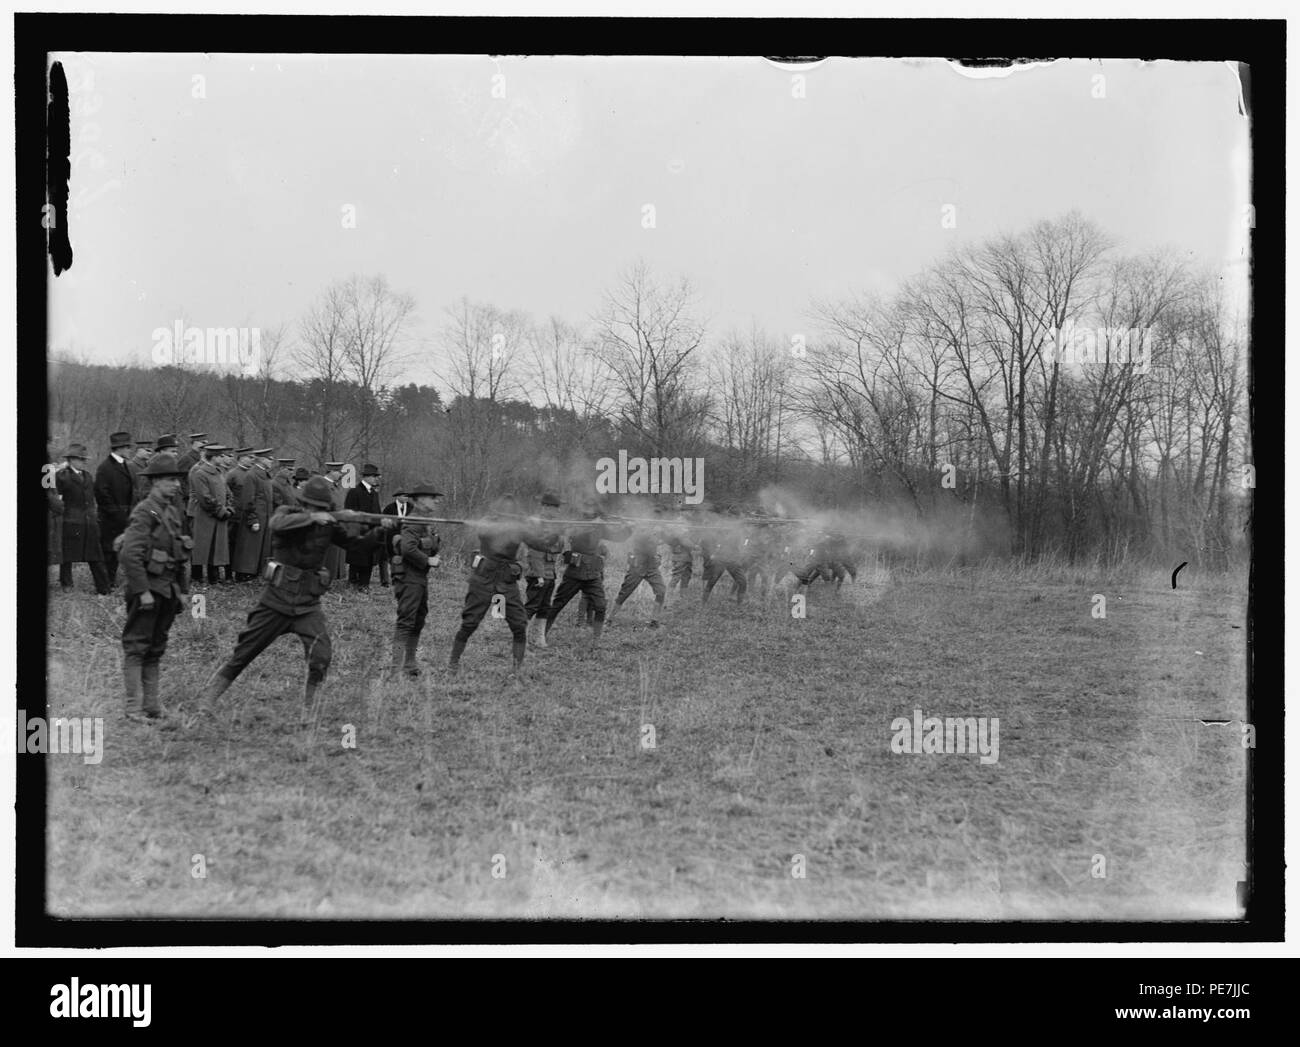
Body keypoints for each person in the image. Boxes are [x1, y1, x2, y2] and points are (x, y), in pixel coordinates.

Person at [194, 476, 393, 721]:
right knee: (244, 652)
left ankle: (309, 712)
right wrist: (312, 518)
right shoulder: (288, 514)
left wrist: (381, 529)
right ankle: (206, 701)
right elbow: (277, 524)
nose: (317, 511)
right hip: (275, 601)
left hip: (308, 605)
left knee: (321, 656)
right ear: (304, 504)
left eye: (320, 508)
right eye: (312, 507)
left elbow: (357, 544)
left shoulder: (328, 525)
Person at [118, 453, 191, 723]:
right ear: (156, 482)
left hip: (167, 590)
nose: (176, 485)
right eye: (171, 480)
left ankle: (152, 706)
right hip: (149, 591)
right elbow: (130, 555)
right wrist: (142, 591)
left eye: (177, 480)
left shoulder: (171, 512)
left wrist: (182, 591)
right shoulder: (144, 511)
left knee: (156, 648)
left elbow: (179, 555)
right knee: (137, 648)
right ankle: (133, 709)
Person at [447, 494, 548, 677]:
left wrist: (549, 530)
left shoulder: (520, 527)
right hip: (483, 580)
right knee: (469, 623)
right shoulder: (488, 522)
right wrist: (508, 526)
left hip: (506, 582)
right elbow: (483, 532)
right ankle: (453, 665)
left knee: (519, 624)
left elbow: (542, 545)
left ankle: (516, 671)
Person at [544, 503, 631, 648]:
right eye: (589, 513)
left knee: (601, 606)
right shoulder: (577, 524)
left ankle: (596, 641)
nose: (590, 515)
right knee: (558, 604)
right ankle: (541, 635)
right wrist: (594, 523)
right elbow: (575, 535)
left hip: (592, 574)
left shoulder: (599, 527)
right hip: (575, 572)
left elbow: (618, 537)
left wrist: (628, 527)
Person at [388, 483, 443, 678]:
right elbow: (408, 548)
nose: (436, 500)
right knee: (406, 621)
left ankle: (409, 664)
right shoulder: (413, 521)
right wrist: (428, 559)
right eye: (432, 497)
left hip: (419, 578)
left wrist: (434, 539)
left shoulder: (426, 522)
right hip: (409, 578)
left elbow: (432, 547)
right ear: (419, 500)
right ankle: (395, 669)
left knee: (418, 620)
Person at [55, 443, 110, 594]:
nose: (83, 461)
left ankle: (103, 588)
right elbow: (57, 500)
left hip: (89, 522)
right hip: (70, 522)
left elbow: (92, 499)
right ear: (71, 459)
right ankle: (66, 585)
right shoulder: (62, 476)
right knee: (67, 556)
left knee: (95, 555)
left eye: (84, 459)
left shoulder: (87, 476)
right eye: (80, 459)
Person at [608, 506, 667, 627]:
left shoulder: (657, 529)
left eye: (659, 517)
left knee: (661, 591)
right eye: (655, 517)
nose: (657, 519)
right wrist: (656, 532)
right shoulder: (642, 528)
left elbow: (666, 541)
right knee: (624, 593)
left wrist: (668, 532)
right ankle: (609, 619)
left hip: (651, 566)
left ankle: (654, 620)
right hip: (638, 565)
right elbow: (647, 544)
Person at [521, 492, 564, 647]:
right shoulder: (536, 523)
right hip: (538, 573)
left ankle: (538, 638)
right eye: (555, 508)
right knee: (532, 606)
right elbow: (534, 552)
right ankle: (521, 637)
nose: (557, 511)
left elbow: (558, 547)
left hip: (550, 572)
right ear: (545, 507)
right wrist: (539, 575)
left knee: (545, 607)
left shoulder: (553, 524)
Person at [94, 430, 137, 588]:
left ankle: (110, 582)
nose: (130, 450)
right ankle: (106, 584)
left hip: (123, 515)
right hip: (110, 519)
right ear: (119, 448)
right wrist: (117, 514)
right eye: (127, 447)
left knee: (117, 551)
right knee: (108, 552)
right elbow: (102, 494)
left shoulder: (124, 465)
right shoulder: (105, 467)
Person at [188, 443, 234, 585]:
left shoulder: (219, 472)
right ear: (213, 457)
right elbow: (204, 497)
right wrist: (221, 511)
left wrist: (230, 508)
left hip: (220, 515)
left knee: (217, 546)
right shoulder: (200, 473)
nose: (223, 458)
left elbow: (227, 492)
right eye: (221, 456)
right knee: (205, 546)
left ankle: (214, 577)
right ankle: (201, 578)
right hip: (207, 516)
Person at [231, 449, 274, 581]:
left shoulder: (265, 475)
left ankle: (255, 573)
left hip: (265, 517)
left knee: (260, 548)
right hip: (255, 517)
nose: (272, 461)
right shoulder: (252, 475)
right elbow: (248, 499)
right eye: (269, 459)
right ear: (261, 459)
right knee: (249, 548)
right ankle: (243, 574)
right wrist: (253, 519)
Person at [344, 463, 384, 589]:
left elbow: (377, 512)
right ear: (366, 477)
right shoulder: (354, 492)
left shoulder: (374, 493)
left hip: (372, 532)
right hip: (358, 532)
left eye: (377, 476)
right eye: (374, 476)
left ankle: (364, 584)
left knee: (369, 560)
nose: (376, 479)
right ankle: (353, 582)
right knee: (357, 559)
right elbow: (349, 513)